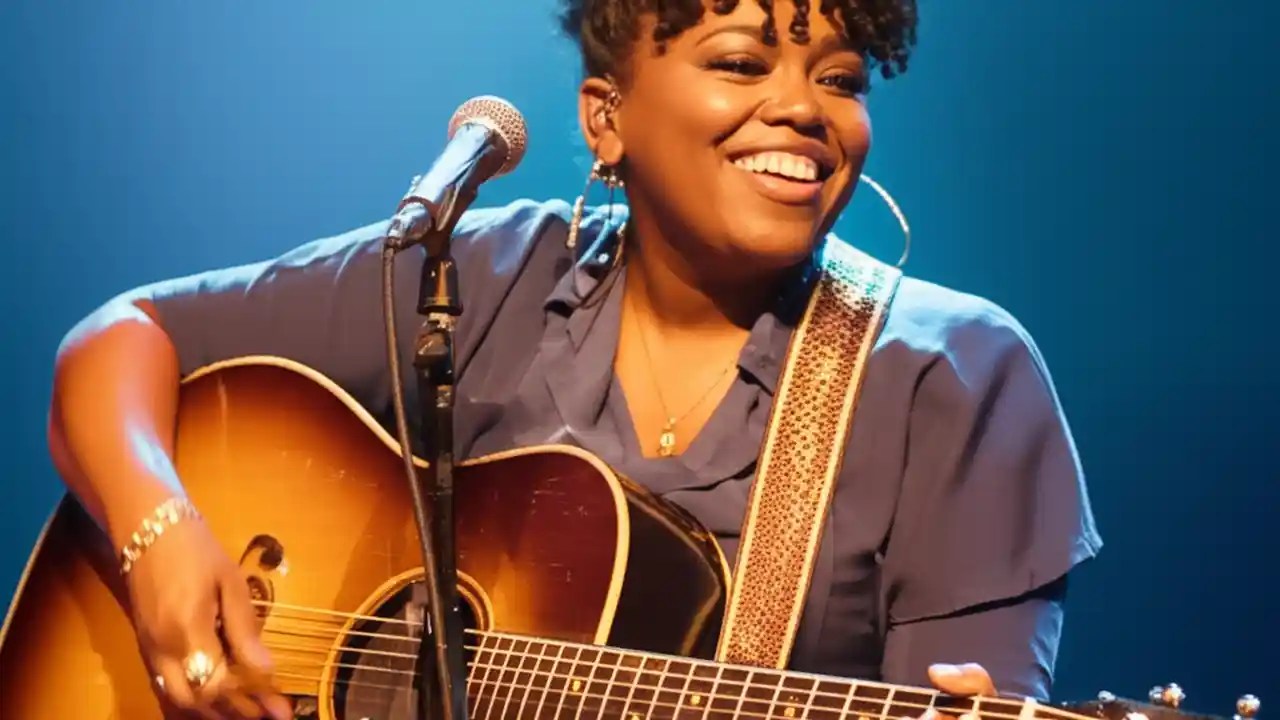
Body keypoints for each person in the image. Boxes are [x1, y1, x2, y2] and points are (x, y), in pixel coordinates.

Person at [46, 1, 1102, 718]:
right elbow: (124, 335)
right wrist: (158, 536)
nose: (802, 109)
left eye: (840, 79)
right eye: (741, 63)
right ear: (607, 120)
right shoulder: (479, 273)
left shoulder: (955, 378)